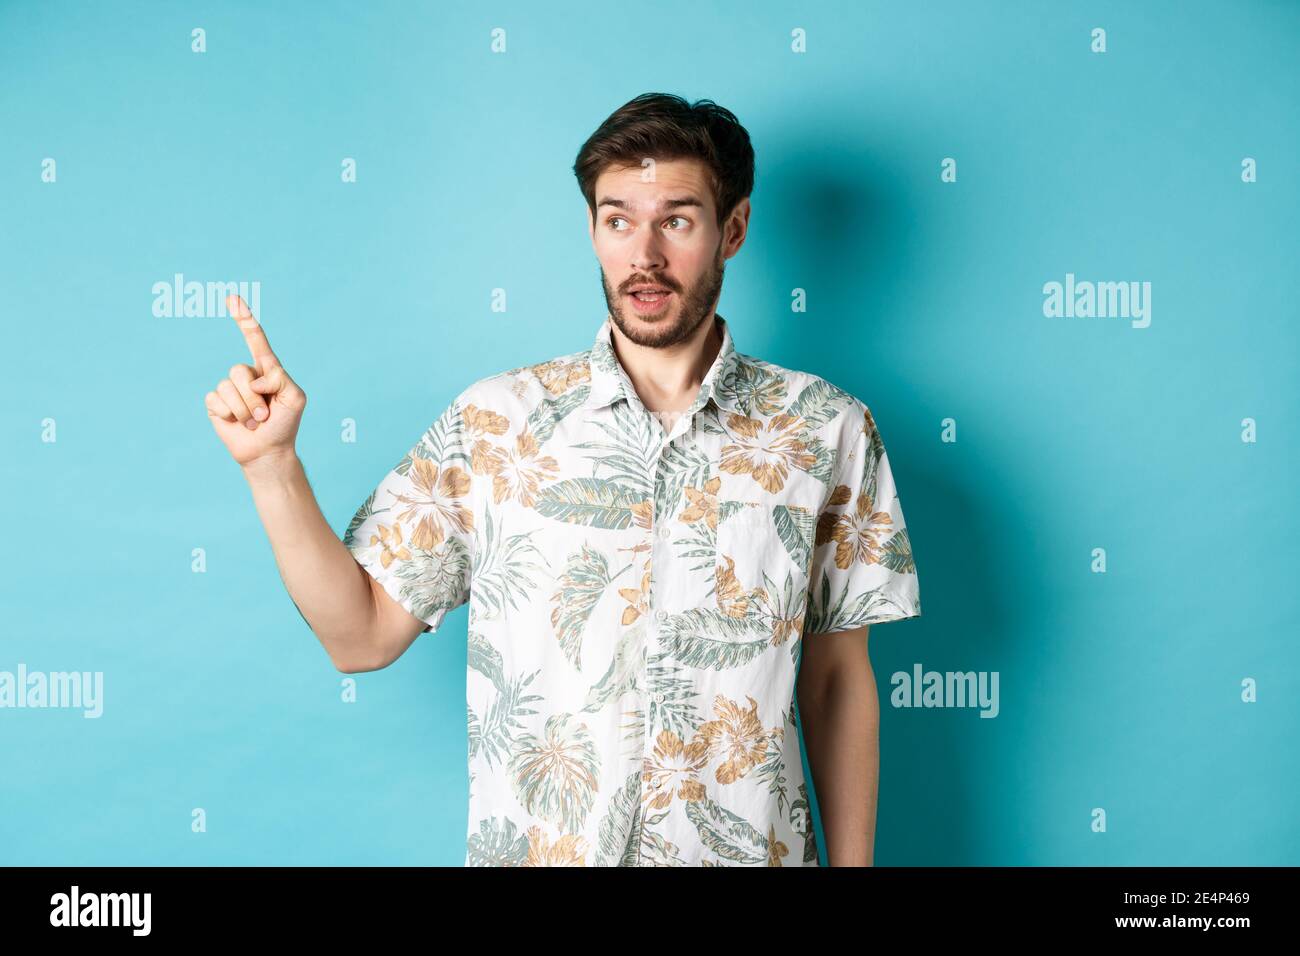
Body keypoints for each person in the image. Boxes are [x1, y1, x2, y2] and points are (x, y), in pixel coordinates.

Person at [204, 92, 922, 867]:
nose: (644, 254)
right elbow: (360, 637)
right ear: (592, 231)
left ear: (733, 230)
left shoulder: (826, 429)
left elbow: (837, 684)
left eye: (676, 220)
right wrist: (272, 467)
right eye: (618, 220)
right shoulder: (497, 423)